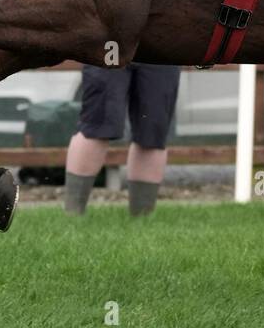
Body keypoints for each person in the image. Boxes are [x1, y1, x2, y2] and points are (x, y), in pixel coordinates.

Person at [63, 63, 182, 216]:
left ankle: (142, 220)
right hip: (111, 43)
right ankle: (72, 215)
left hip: (162, 48)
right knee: (97, 125)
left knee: (153, 132)